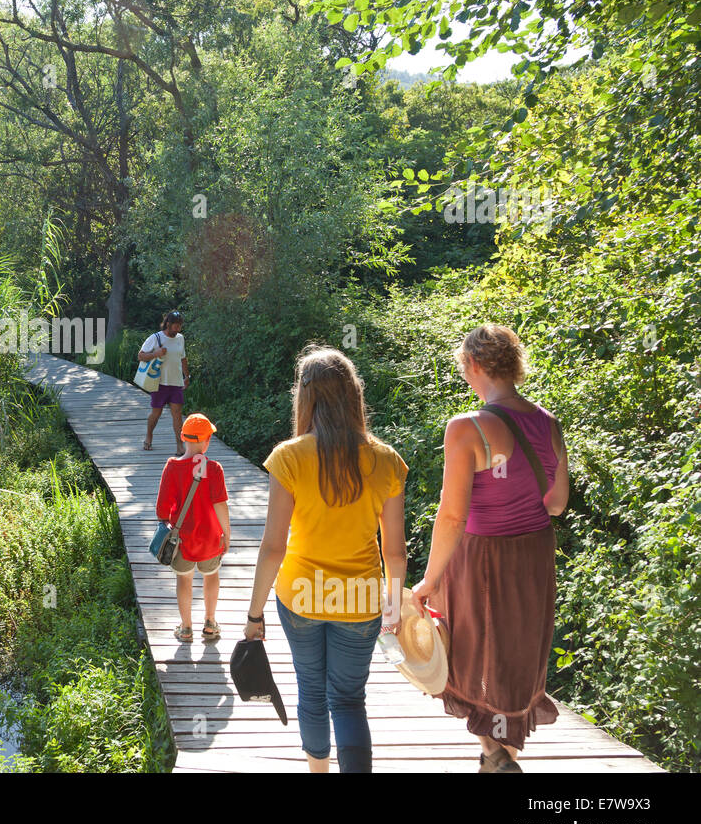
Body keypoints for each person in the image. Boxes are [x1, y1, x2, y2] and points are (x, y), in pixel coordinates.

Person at [411, 323, 568, 773]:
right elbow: (556, 503)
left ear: (474, 364)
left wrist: (429, 580)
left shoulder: (467, 428)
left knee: (466, 654)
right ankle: (495, 758)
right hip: (533, 555)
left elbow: (452, 516)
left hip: (482, 557)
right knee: (512, 656)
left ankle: (496, 757)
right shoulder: (548, 423)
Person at [244, 346, 408, 773]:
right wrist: (394, 606)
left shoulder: (289, 457)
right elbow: (394, 550)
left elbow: (273, 547)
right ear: (354, 394)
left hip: (301, 596)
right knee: (349, 700)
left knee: (312, 693)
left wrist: (254, 614)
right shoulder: (387, 460)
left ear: (305, 396)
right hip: (361, 600)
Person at [156, 413, 230, 643]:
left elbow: (161, 510)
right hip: (210, 538)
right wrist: (226, 534)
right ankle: (210, 623)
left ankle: (186, 628)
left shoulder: (172, 467)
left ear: (182, 437)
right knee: (211, 575)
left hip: (182, 540)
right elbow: (220, 505)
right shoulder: (214, 468)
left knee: (184, 579)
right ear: (207, 441)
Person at [138, 311, 189, 454]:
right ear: (168, 324)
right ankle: (149, 436)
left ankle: (180, 445)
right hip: (159, 382)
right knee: (156, 413)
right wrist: (156, 353)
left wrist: (186, 376)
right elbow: (140, 356)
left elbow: (183, 358)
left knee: (177, 413)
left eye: (180, 326)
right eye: (176, 326)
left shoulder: (180, 338)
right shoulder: (155, 338)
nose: (178, 329)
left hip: (176, 383)